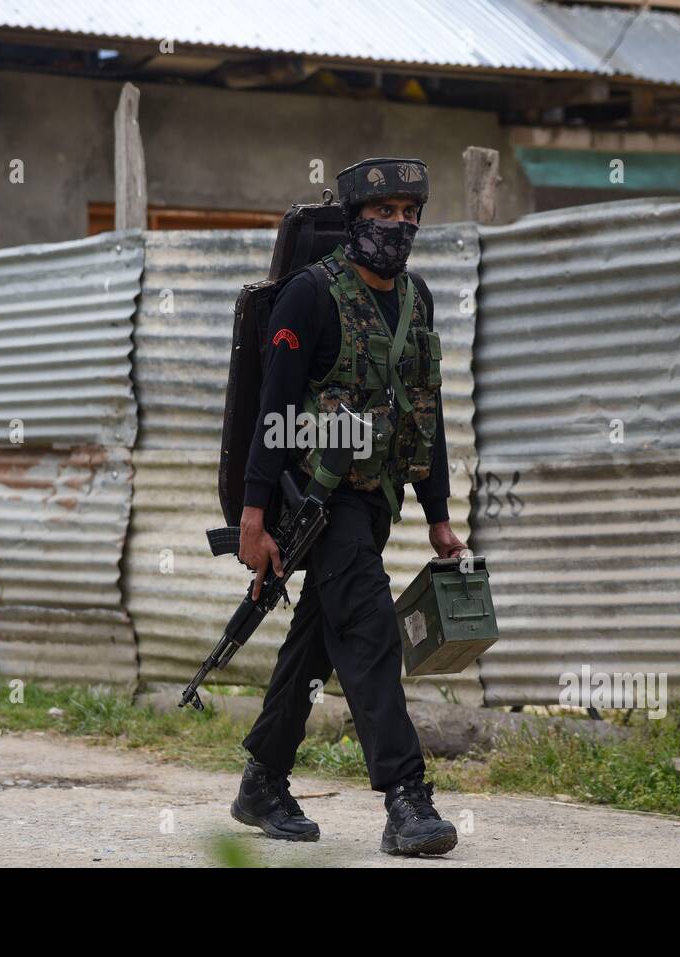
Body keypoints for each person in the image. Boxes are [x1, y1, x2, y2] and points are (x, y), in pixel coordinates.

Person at [230, 157, 465, 856]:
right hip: (321, 503)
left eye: (409, 213)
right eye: (383, 213)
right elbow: (271, 414)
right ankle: (406, 798)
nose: (399, 226)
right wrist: (253, 514)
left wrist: (439, 513)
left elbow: (427, 412)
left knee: (314, 645)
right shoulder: (311, 296)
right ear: (353, 219)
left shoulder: (415, 299)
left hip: (378, 499)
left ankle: (262, 780)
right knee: (369, 633)